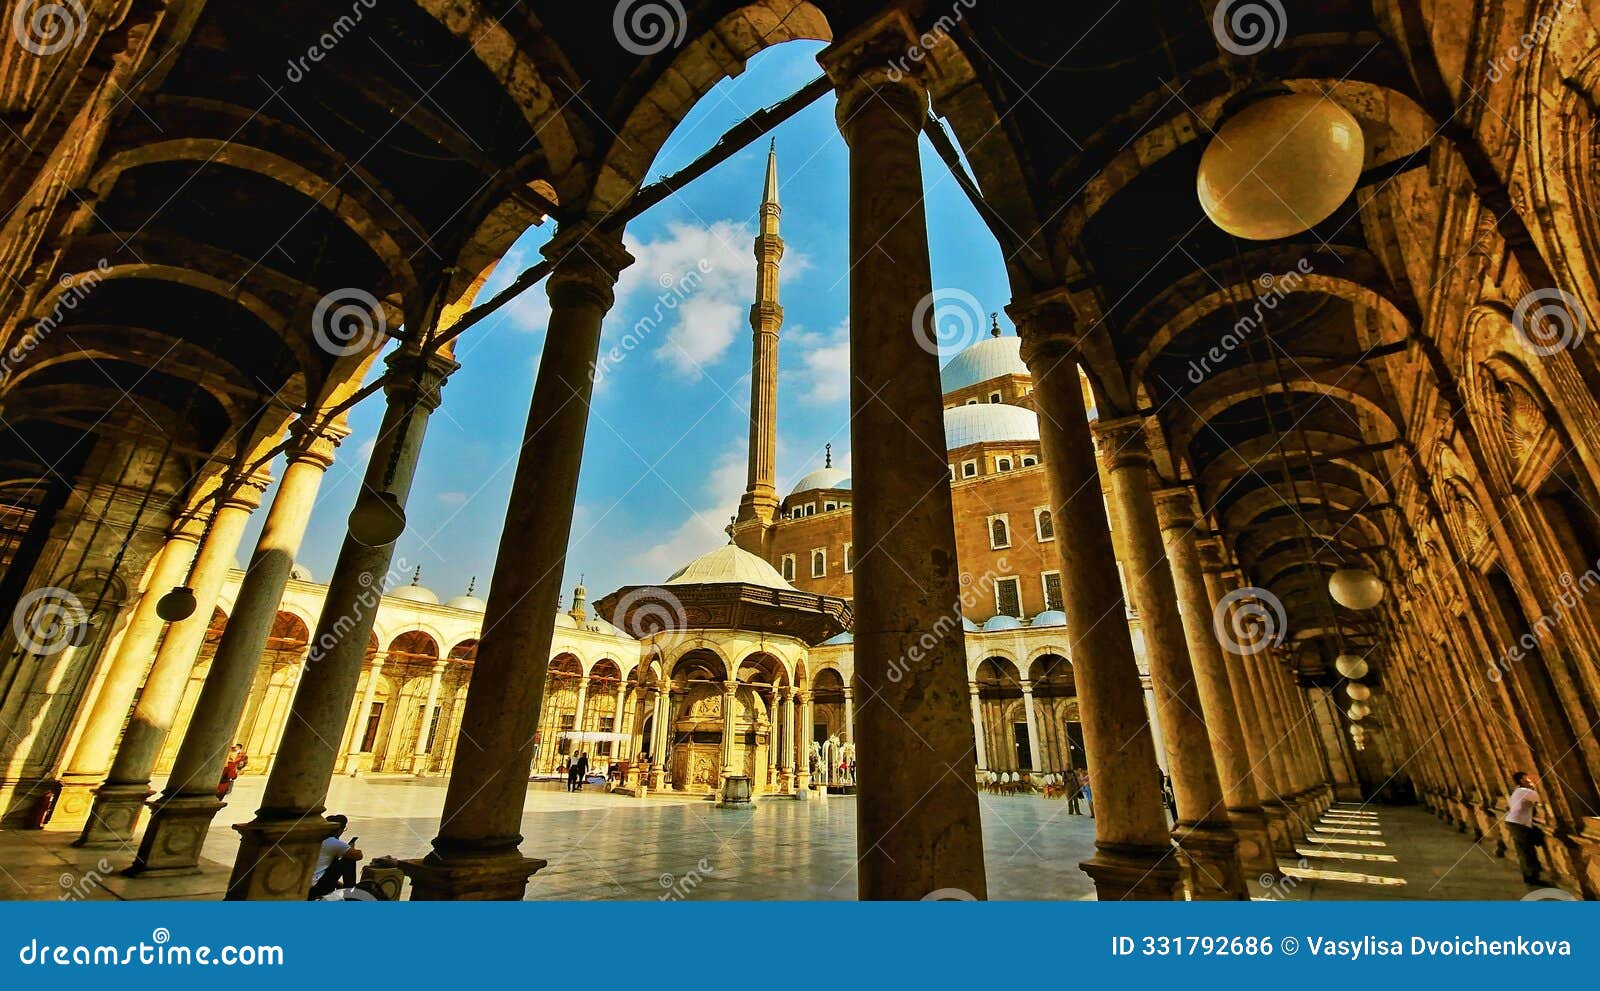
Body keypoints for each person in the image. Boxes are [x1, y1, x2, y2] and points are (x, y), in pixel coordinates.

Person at [308, 814, 363, 899]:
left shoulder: (315, 839)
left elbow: (322, 868)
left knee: (334, 860)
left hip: (306, 884)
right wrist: (351, 848)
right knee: (349, 859)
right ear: (339, 830)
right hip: (316, 888)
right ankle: (350, 896)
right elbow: (358, 856)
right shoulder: (332, 842)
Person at [1505, 771, 1545, 885]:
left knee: (1523, 851)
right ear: (1522, 780)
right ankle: (1532, 877)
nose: (1531, 782)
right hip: (1519, 824)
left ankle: (1529, 876)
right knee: (1527, 851)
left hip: (1514, 822)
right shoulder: (1526, 792)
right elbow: (1541, 801)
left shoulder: (1517, 791)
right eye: (1528, 779)